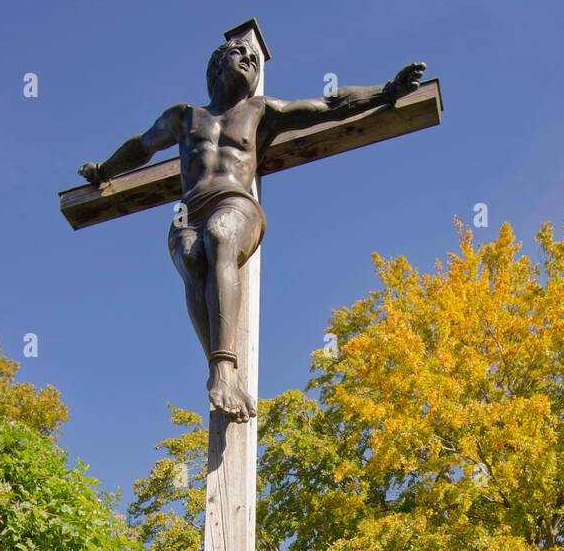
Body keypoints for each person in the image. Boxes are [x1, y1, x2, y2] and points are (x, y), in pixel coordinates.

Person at [79, 38, 426, 420]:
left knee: (221, 234)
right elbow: (142, 146)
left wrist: (388, 90)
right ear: (215, 67)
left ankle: (224, 369)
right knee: (192, 258)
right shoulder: (185, 117)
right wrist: (104, 171)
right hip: (187, 210)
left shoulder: (261, 110)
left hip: (235, 202)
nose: (248, 60)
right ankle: (217, 369)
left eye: (254, 60)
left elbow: (330, 106)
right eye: (238, 54)